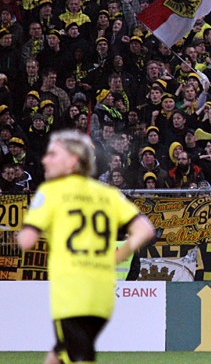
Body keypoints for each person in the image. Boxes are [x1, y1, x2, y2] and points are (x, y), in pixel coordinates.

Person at [17, 130, 155, 364]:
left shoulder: (52, 192)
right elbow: (145, 230)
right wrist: (119, 255)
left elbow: (26, 241)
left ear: (72, 162)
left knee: (76, 355)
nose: (44, 160)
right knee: (64, 352)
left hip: (72, 290)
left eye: (53, 155)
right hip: (103, 294)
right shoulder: (110, 195)